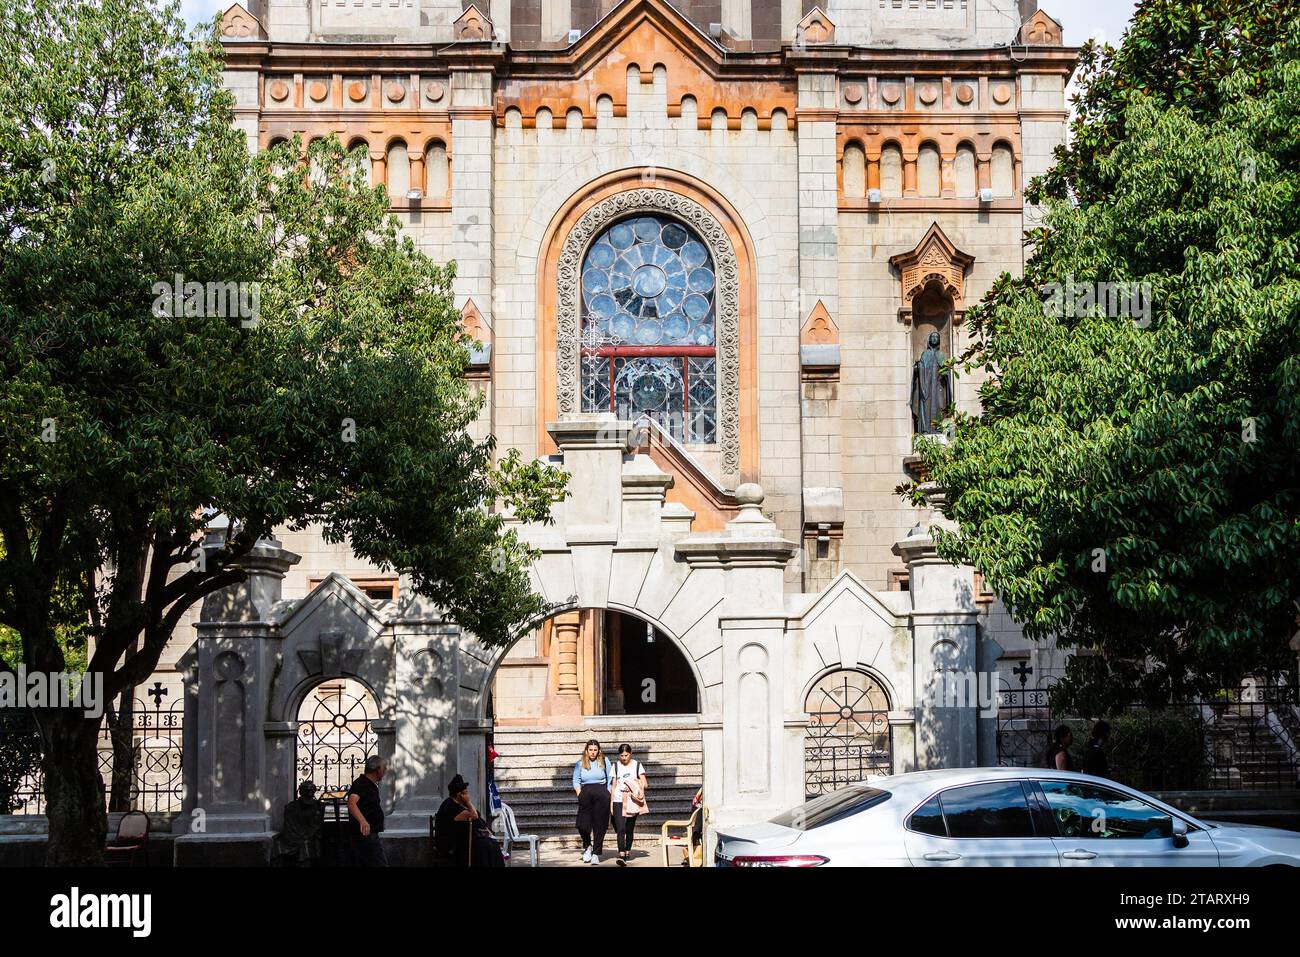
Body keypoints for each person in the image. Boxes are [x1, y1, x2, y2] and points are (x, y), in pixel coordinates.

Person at [435, 773, 505, 867]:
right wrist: (468, 801)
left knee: (491, 843)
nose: (468, 795)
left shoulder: (458, 804)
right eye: (466, 792)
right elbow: (474, 815)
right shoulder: (451, 807)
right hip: (452, 845)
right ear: (460, 795)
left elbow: (478, 819)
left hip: (462, 840)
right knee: (486, 846)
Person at [572, 738, 612, 865]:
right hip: (586, 793)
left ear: (598, 750)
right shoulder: (580, 763)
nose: (593, 752)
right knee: (582, 824)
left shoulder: (604, 761)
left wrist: (608, 792)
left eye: (595, 750)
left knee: (600, 825)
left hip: (601, 792)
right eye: (591, 750)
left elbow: (610, 777)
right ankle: (587, 846)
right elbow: (576, 780)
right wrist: (580, 794)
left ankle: (596, 853)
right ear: (586, 751)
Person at [346, 755, 389, 867]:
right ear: (378, 769)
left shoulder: (369, 785)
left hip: (369, 835)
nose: (385, 771)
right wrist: (363, 821)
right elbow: (351, 803)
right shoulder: (361, 784)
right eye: (384, 768)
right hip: (365, 836)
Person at [609, 743, 648, 866]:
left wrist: (632, 784)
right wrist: (611, 803)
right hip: (618, 799)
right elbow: (613, 785)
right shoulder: (615, 766)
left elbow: (645, 784)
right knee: (620, 828)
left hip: (632, 800)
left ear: (630, 753)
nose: (624, 758)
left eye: (626, 755)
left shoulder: (637, 765)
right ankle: (621, 854)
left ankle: (627, 851)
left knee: (629, 828)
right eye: (621, 755)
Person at [278, 780, 323, 867]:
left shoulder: (318, 806)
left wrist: (306, 836)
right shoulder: (291, 807)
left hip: (308, 836)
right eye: (307, 790)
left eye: (311, 791)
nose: (310, 793)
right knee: (280, 844)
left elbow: (316, 825)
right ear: (301, 792)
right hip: (293, 836)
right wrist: (297, 836)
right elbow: (289, 825)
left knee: (305, 845)